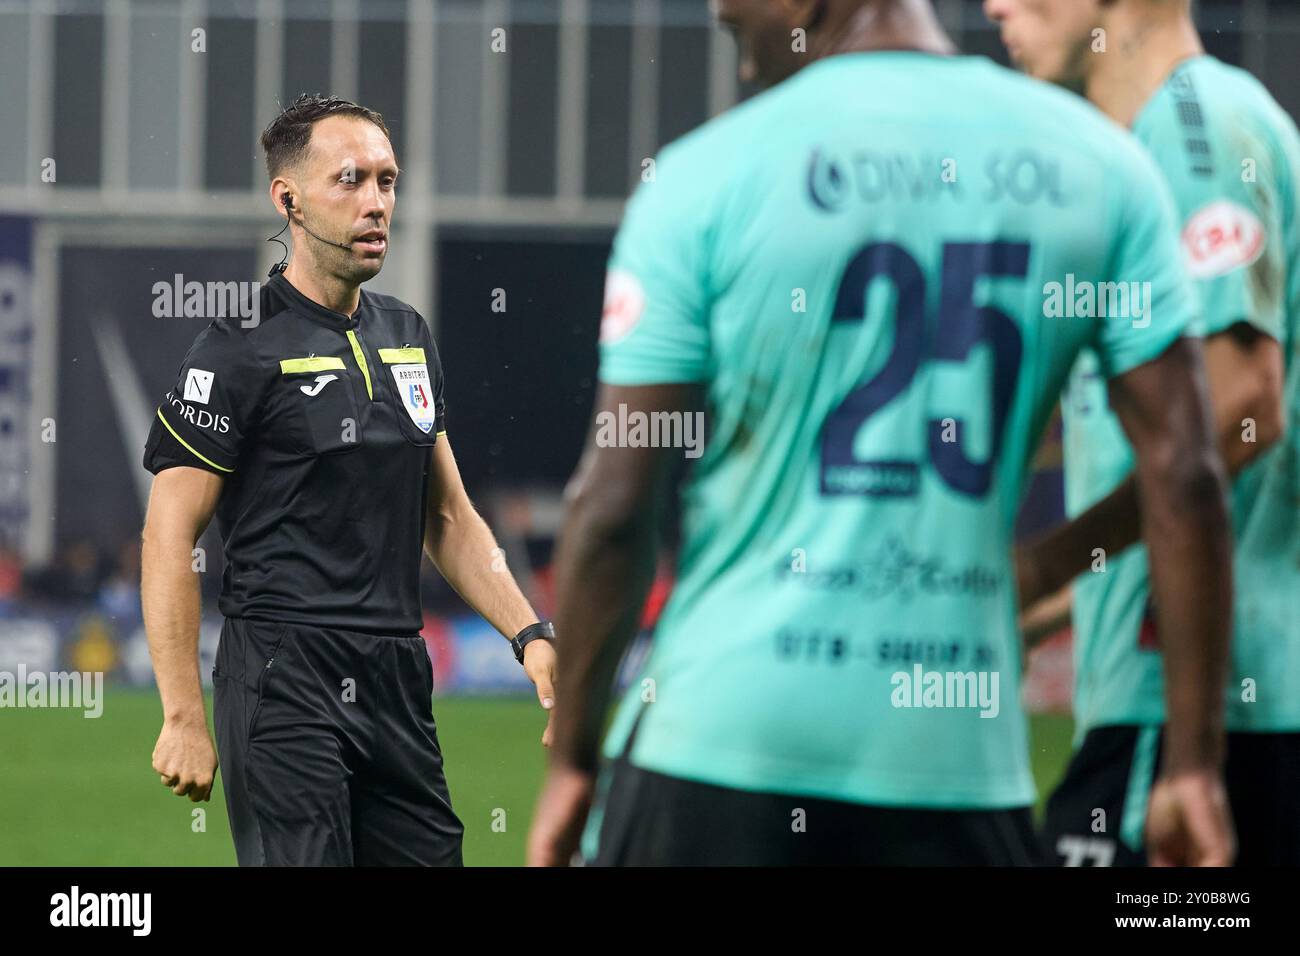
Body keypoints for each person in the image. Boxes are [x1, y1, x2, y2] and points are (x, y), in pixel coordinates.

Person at [526, 0, 1236, 867]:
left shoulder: (704, 175)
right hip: (955, 766)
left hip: (717, 751)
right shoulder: (1101, 169)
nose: (725, 20)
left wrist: (572, 762)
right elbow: (1188, 475)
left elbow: (612, 505)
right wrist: (1195, 766)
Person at [140, 93, 558, 866]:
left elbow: (449, 518)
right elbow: (169, 534)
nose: (376, 203)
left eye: (388, 181)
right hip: (281, 673)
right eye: (351, 180)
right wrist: (181, 715)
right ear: (289, 200)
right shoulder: (234, 346)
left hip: (398, 674)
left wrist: (529, 634)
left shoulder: (407, 335)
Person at [987, 0, 1299, 866]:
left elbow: (1240, 410)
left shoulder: (1197, 130)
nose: (994, 5)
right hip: (1201, 711)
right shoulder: (1154, 146)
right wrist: (1023, 605)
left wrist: (1043, 564)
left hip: (1193, 717)